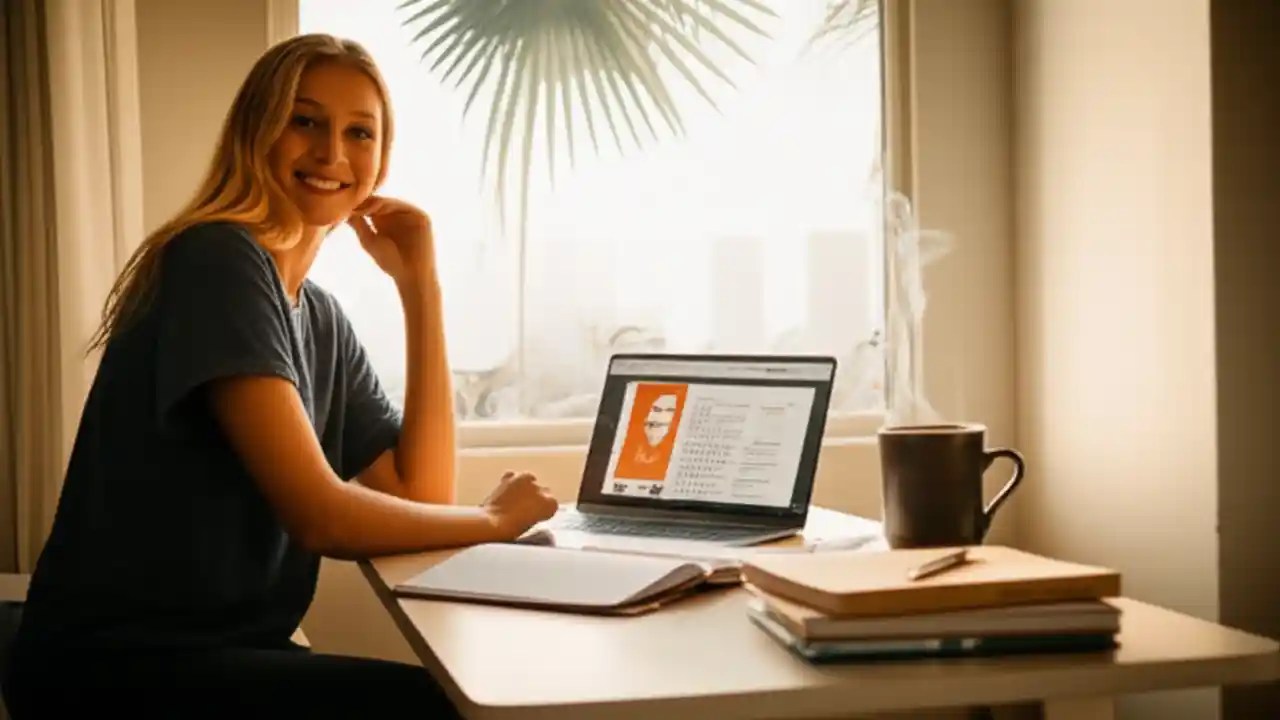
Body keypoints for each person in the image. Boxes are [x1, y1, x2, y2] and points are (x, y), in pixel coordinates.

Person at [0, 33, 558, 718]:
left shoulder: (318, 315)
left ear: (381, 158)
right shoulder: (217, 259)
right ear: (255, 132)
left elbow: (422, 495)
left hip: (220, 652)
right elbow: (322, 517)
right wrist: (493, 521)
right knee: (433, 706)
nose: (331, 153)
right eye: (306, 121)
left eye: (360, 132)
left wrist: (420, 288)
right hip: (120, 666)